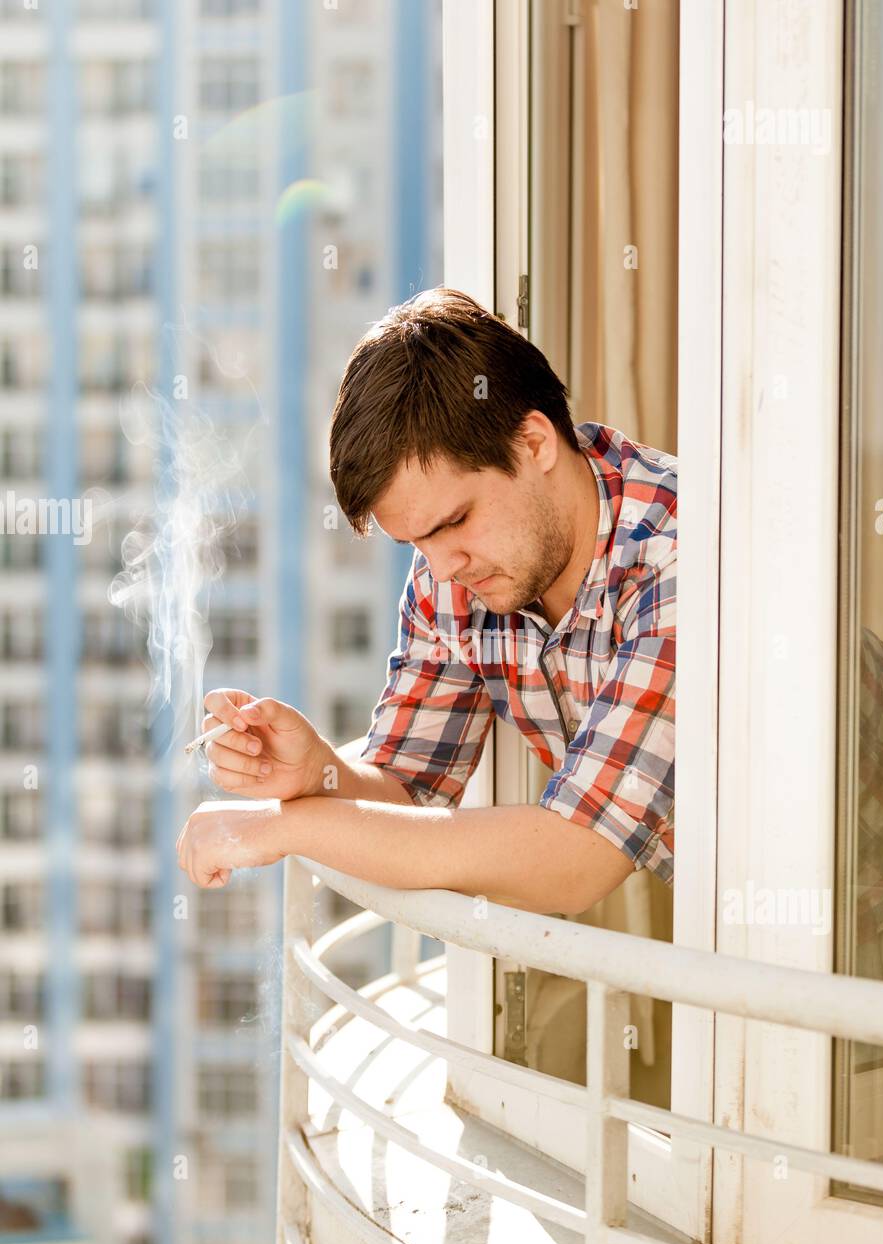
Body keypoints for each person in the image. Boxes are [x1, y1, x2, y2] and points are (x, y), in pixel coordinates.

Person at [176, 287, 676, 916]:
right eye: (415, 542)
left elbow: (574, 856)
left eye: (454, 521)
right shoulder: (455, 569)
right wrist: (318, 775)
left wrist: (284, 829)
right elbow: (411, 787)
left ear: (535, 444)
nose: (441, 568)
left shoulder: (673, 560)